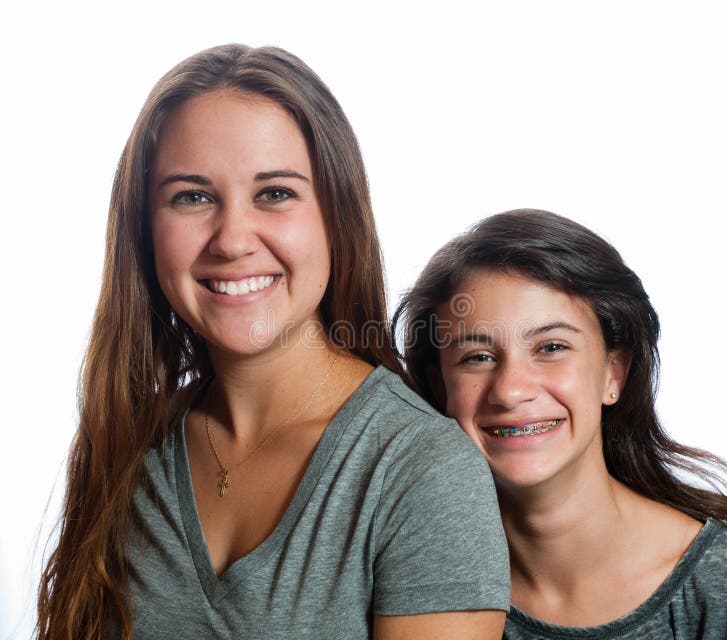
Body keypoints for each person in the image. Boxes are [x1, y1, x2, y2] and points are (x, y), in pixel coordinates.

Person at [37, 44, 510, 640]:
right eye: (192, 196)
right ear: (144, 229)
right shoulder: (131, 445)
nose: (233, 239)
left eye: (275, 193)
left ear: (337, 216)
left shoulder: (421, 472)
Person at [394, 209, 727, 639]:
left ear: (613, 374)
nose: (511, 390)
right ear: (441, 387)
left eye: (551, 347)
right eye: (476, 357)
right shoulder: (405, 578)